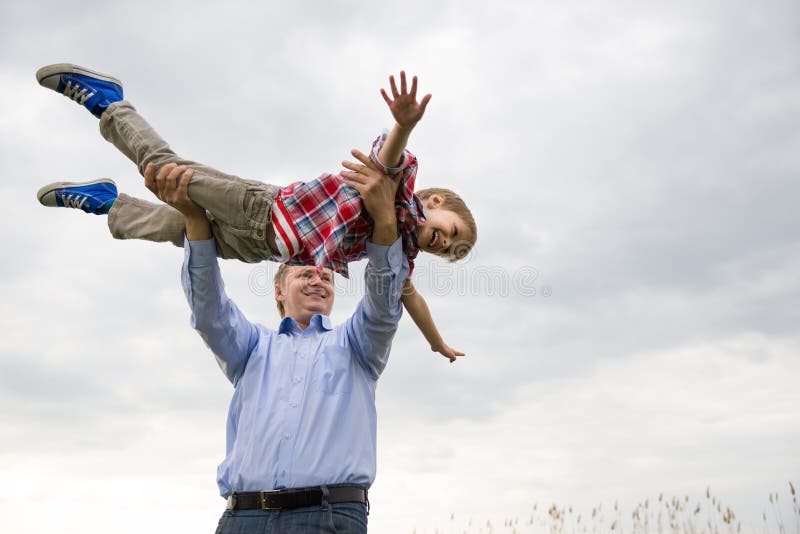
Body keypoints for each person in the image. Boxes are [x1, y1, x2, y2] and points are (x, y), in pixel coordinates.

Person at [35, 64, 477, 361]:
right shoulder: (401, 191)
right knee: (167, 172)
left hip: (260, 247)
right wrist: (404, 123)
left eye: (450, 252)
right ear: (438, 204)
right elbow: (390, 159)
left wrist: (437, 344)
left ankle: (111, 205)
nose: (444, 244)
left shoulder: (398, 252)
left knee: (182, 231)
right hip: (265, 209)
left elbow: (410, 298)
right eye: (451, 232)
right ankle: (111, 104)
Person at [150, 136, 406, 533]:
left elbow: (384, 304)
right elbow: (208, 311)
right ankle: (115, 200)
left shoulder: (357, 346)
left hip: (328, 517)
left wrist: (385, 220)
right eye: (305, 272)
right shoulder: (252, 348)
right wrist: (195, 219)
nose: (318, 278)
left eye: (326, 275)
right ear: (278, 289)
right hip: (243, 518)